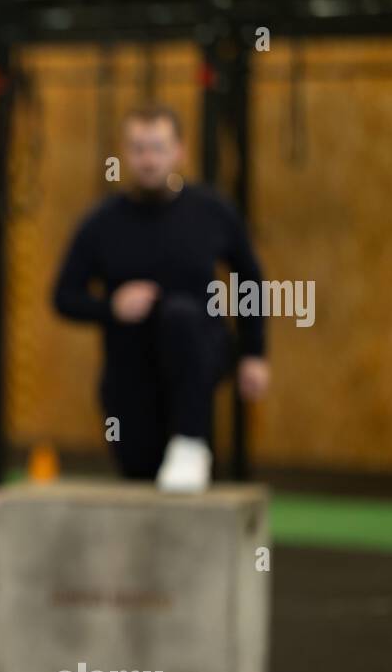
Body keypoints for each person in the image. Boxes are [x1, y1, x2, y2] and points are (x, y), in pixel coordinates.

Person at [52, 103, 270, 491]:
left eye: (157, 147)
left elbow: (250, 278)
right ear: (125, 153)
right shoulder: (102, 222)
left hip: (200, 353)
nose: (148, 159)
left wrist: (254, 353)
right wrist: (111, 306)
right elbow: (63, 296)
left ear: (179, 151)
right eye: (138, 148)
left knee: (180, 315)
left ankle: (190, 441)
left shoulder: (212, 211)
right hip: (131, 365)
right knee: (141, 472)